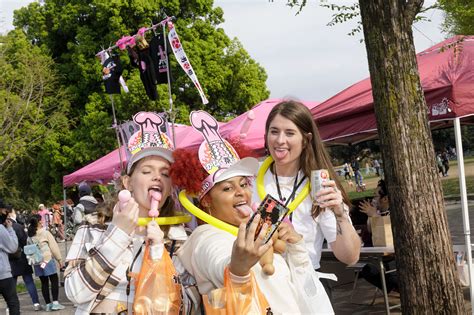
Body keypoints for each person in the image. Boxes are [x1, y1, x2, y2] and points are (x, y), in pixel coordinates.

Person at [172, 110, 333, 314]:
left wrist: (295, 247)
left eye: (243, 184)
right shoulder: (204, 238)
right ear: (206, 201)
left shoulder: (257, 229)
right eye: (228, 188)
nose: (241, 193)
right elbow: (218, 262)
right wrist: (236, 268)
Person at [64, 111, 189, 314]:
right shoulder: (95, 225)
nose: (157, 177)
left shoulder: (180, 236)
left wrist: (158, 256)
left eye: (165, 174)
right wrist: (118, 233)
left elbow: (188, 305)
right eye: (147, 171)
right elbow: (75, 292)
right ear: (127, 182)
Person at [255, 100, 360, 299]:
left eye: (290, 133)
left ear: (306, 139)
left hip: (307, 288)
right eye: (274, 131)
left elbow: (350, 257)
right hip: (263, 287)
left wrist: (340, 214)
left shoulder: (321, 186)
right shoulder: (251, 181)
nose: (280, 140)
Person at [359, 179, 398, 293]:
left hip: (395, 257)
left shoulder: (395, 213)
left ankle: (395, 287)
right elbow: (372, 231)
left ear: (385, 199)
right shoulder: (379, 212)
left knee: (374, 270)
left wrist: (374, 215)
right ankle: (391, 287)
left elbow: (388, 235)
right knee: (368, 270)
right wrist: (372, 215)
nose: (373, 200)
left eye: (375, 196)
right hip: (382, 256)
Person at [27, 216, 65, 311]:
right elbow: (54, 247)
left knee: (44, 283)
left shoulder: (30, 236)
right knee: (54, 280)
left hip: (37, 262)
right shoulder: (45, 233)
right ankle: (55, 303)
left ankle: (48, 304)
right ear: (39, 222)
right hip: (47, 260)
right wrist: (59, 260)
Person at [7, 208, 42, 311]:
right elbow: (25, 242)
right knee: (29, 281)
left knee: (11, 285)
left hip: (9, 259)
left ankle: (10, 307)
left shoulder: (2, 228)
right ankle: (36, 303)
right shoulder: (18, 227)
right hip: (21, 258)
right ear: (11, 214)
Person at [0, 201, 20, 315]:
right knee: (13, 303)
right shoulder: (1, 228)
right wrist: (10, 229)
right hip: (3, 274)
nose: (6, 213)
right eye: (4, 210)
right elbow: (13, 247)